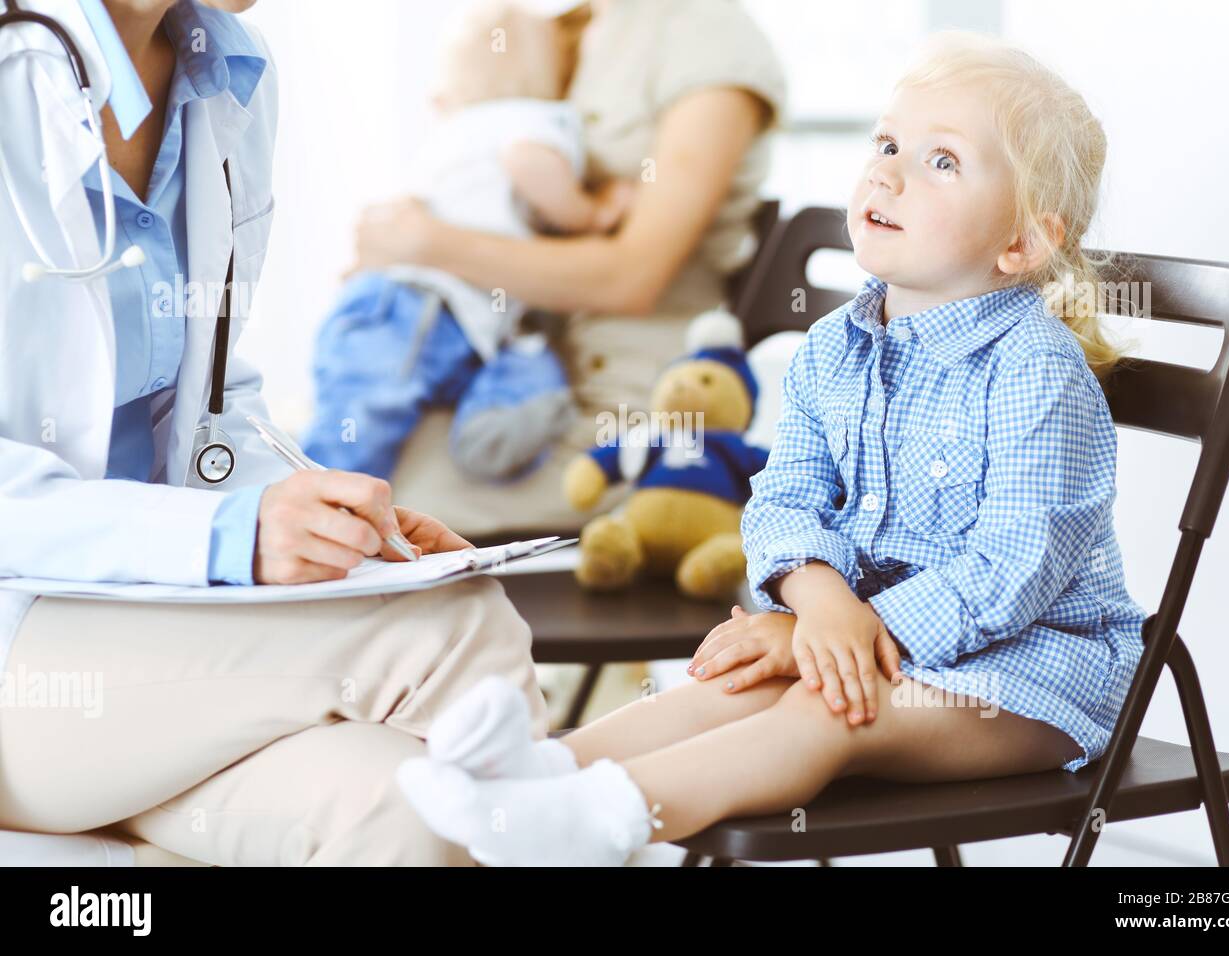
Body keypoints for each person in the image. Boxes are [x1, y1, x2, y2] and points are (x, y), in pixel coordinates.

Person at [392, 31, 1151, 866]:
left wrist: (835, 633)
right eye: (889, 143)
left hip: (1029, 680)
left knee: (829, 712)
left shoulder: (1037, 372)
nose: (887, 173)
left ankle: (604, 822)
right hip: (866, 640)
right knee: (736, 682)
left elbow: (1011, 570)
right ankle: (538, 772)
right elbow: (783, 495)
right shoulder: (834, 348)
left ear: (1022, 244)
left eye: (943, 162)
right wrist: (819, 604)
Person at [0, 0, 543, 866]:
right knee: (447, 622)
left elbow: (206, 396)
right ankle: (609, 815)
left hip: (154, 641)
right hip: (21, 651)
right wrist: (225, 537)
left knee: (408, 815)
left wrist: (318, 516)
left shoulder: (228, 75)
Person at [352, 0, 789, 538]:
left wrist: (427, 242)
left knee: (350, 496)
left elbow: (632, 278)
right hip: (508, 380)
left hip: (621, 424)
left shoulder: (710, 39)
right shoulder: (559, 31)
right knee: (308, 459)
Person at [301, 0, 634, 483]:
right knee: (365, 420)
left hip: (411, 306)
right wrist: (590, 212)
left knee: (361, 406)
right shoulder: (539, 119)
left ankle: (324, 491)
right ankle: (323, 500)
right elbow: (529, 163)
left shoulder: (456, 132)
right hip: (426, 309)